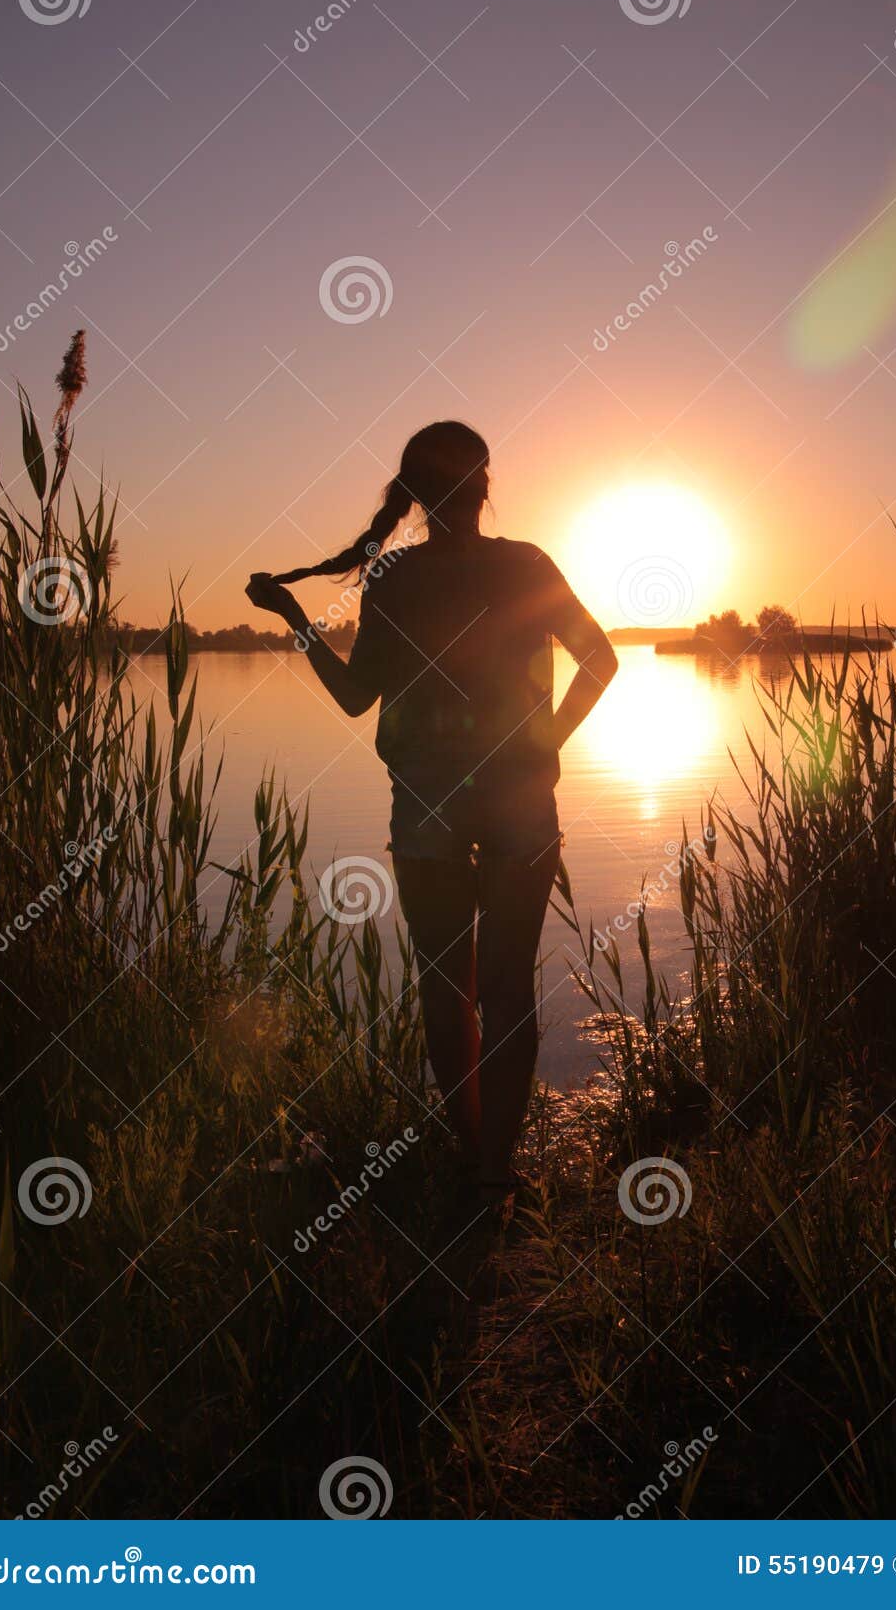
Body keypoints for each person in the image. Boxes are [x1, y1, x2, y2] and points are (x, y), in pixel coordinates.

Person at [246, 421, 617, 1206]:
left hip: (426, 804)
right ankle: (495, 1171)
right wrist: (546, 736)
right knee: (508, 987)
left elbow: (353, 699)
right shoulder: (526, 565)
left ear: (411, 496)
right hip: (521, 798)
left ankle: (470, 1153)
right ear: (486, 487)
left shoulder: (395, 576)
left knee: (445, 982)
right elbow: (601, 659)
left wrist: (291, 616)